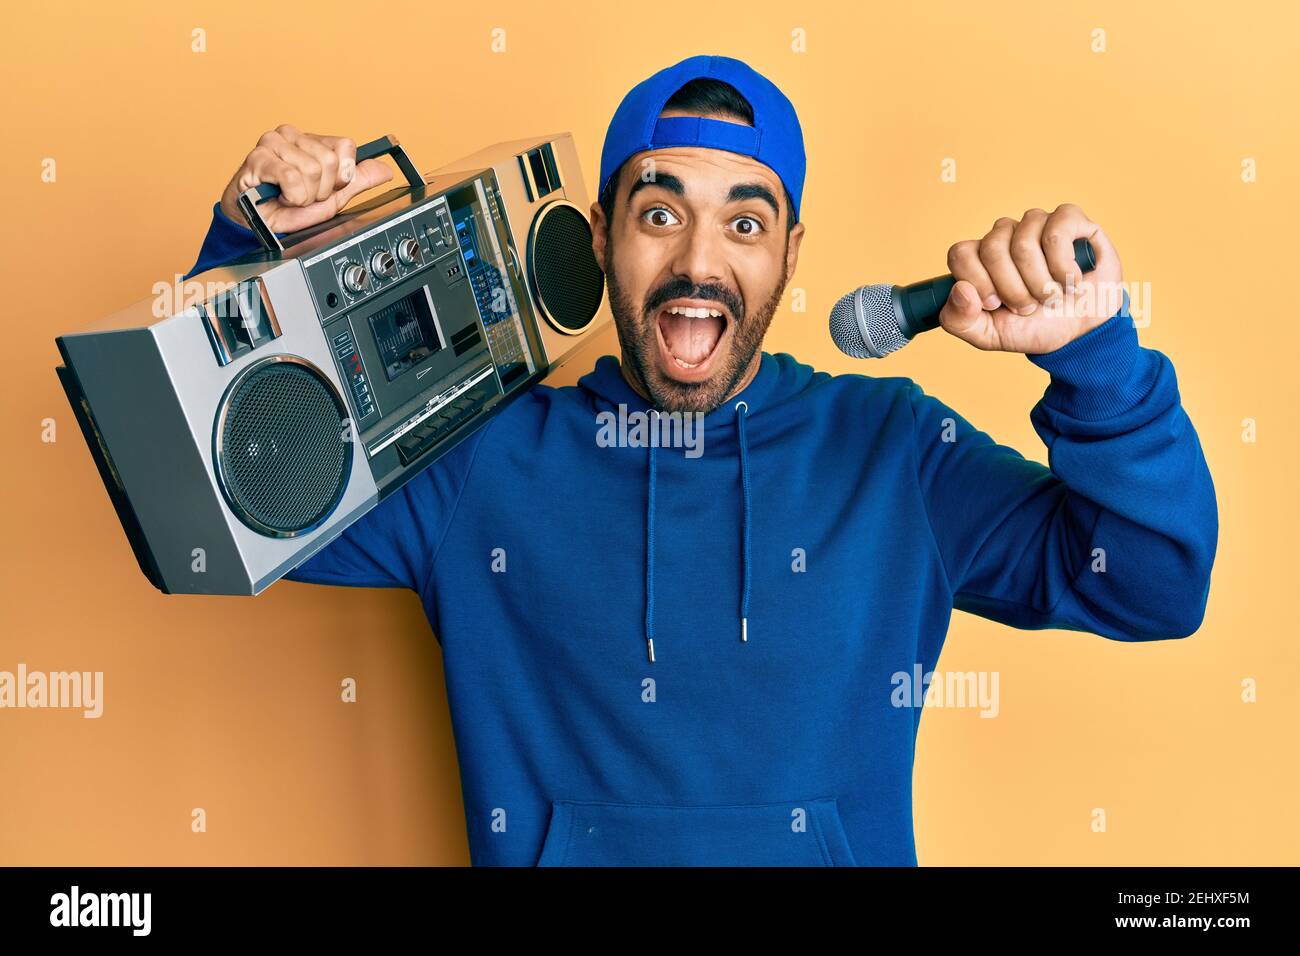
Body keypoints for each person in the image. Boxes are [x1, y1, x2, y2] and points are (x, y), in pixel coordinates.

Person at [183, 54, 1218, 866]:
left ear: (789, 254)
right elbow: (203, 499)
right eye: (660, 212)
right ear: (599, 238)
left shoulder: (893, 449)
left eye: (745, 222)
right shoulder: (480, 460)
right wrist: (244, 250)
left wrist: (1093, 356)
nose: (697, 262)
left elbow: (1154, 584)